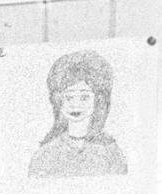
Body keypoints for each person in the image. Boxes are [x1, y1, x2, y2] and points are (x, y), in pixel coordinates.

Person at [28, 49, 127, 178]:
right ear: (59, 101)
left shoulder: (111, 153)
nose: (75, 104)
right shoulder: (45, 155)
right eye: (69, 97)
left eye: (84, 97)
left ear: (98, 100)